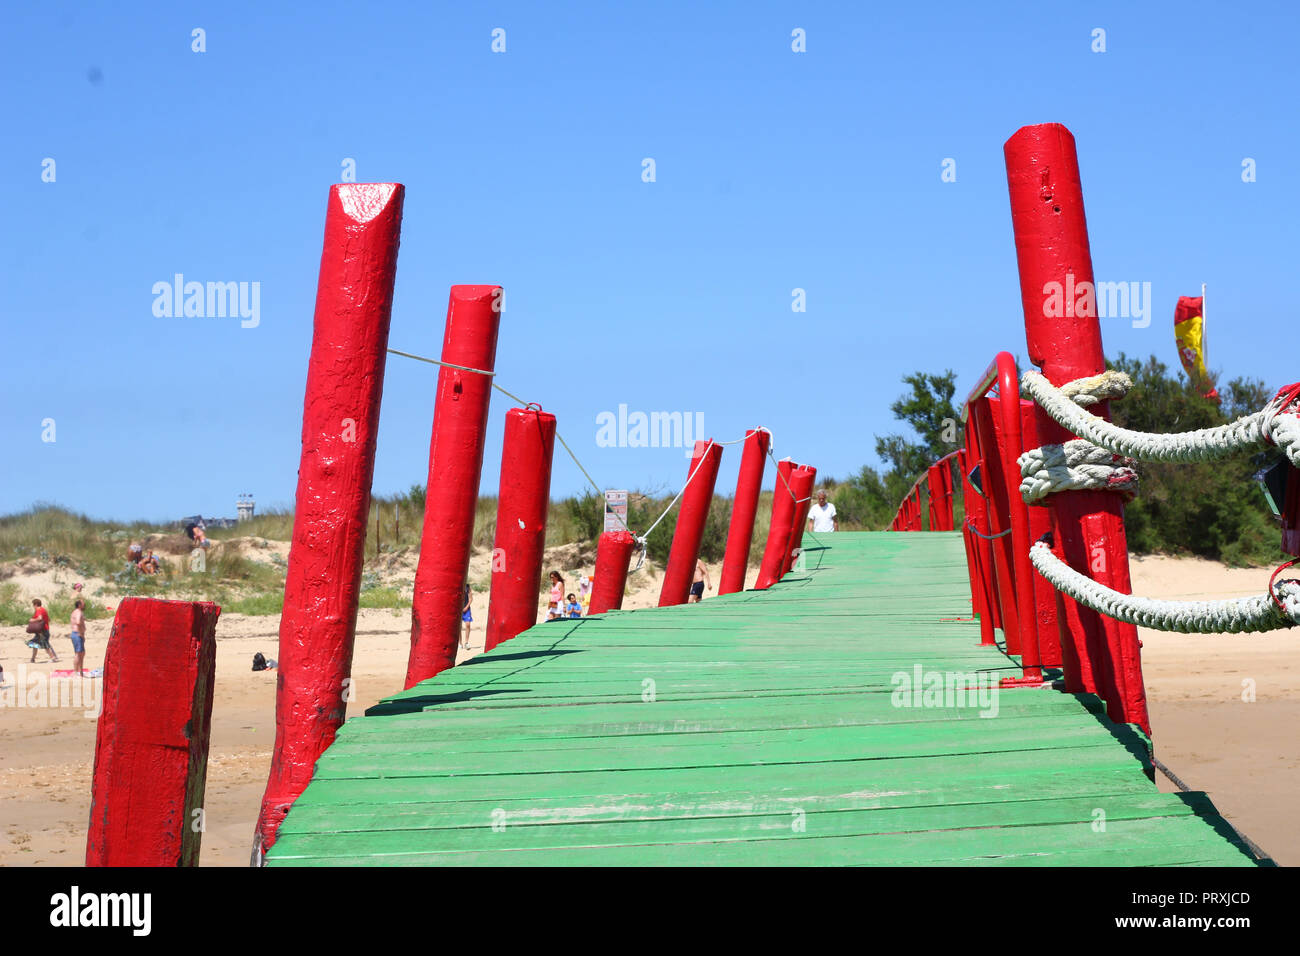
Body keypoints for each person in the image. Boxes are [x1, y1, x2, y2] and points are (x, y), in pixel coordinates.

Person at [26, 599, 58, 663]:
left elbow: (40, 618)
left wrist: (32, 620)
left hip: (43, 631)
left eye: (33, 605)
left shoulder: (39, 610)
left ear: (35, 604)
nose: (33, 607)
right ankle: (33, 659)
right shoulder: (43, 610)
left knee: (45, 645)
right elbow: (48, 619)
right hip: (42, 631)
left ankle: (53, 657)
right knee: (34, 644)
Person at [69, 599, 87, 675]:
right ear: (79, 605)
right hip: (77, 634)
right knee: (79, 653)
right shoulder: (78, 612)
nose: (84, 605)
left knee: (81, 653)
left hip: (75, 633)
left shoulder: (75, 612)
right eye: (83, 604)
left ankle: (80, 671)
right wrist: (81, 633)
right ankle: (76, 671)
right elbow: (78, 622)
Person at [460, 582, 473, 650]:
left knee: (468, 624)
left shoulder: (467, 586)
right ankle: (460, 643)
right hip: (458, 609)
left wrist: (466, 607)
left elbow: (470, 598)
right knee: (459, 627)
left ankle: (466, 642)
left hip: (466, 609)